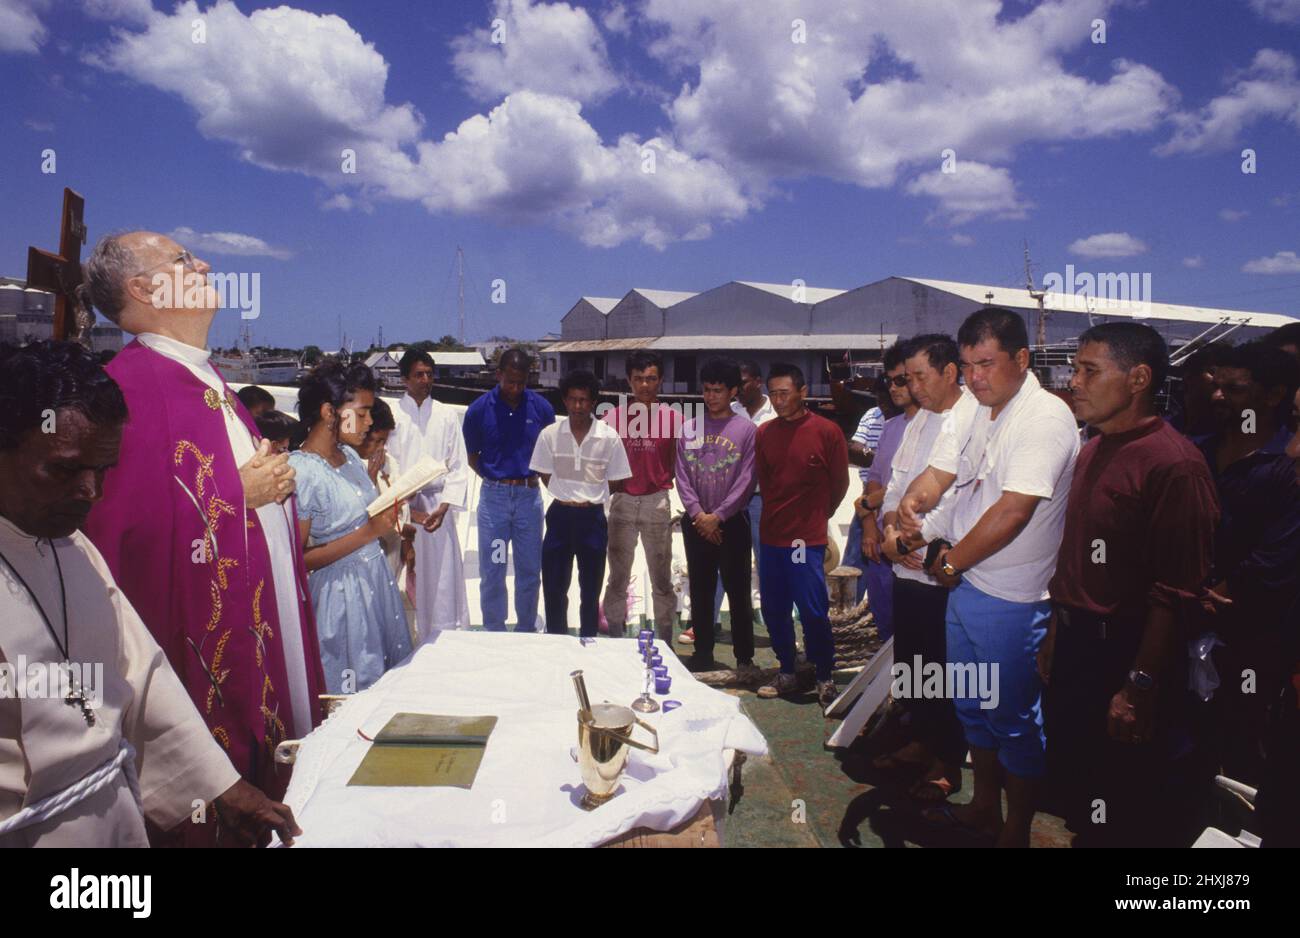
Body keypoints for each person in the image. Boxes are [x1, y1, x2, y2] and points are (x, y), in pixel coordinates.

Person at [0, 341, 301, 848]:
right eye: (65, 469)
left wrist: (219, 785)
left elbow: (142, 673)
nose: (90, 493)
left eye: (103, 471)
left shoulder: (76, 549)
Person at [79, 232, 325, 838]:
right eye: (184, 260)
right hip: (205, 665)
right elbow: (114, 540)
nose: (206, 264)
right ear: (142, 290)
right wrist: (239, 495)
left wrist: (266, 481)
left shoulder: (206, 380)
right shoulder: (129, 390)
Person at [898, 307, 1079, 847]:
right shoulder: (980, 409)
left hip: (1012, 596)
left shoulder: (1043, 418)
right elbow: (945, 474)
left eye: (987, 364)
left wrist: (949, 563)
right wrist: (914, 503)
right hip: (969, 586)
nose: (975, 377)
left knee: (1014, 720)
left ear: (1021, 360)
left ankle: (1016, 830)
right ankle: (982, 807)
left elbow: (1012, 511)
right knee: (973, 708)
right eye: (968, 365)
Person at [1041, 323, 1220, 847]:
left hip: (1128, 653)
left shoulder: (1175, 464)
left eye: (1088, 371)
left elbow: (1176, 591)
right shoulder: (1094, 449)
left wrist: (1138, 685)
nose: (1074, 381)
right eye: (1075, 369)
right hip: (1077, 646)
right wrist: (1056, 635)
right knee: (1083, 792)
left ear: (1139, 378)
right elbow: (1074, 558)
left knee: (1130, 802)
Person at [1196, 341, 1300, 787]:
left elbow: (1278, 555)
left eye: (1235, 390)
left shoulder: (1287, 468)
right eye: (1217, 387)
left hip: (1253, 636)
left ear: (1274, 395)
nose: (1219, 397)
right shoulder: (1194, 453)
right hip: (1181, 623)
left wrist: (1223, 591)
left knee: (1243, 741)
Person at [874, 334, 972, 802]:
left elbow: (960, 497)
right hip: (904, 568)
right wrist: (891, 534)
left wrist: (916, 539)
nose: (912, 386)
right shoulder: (916, 422)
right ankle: (920, 740)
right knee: (914, 664)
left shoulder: (971, 419)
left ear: (950, 372)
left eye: (920, 376)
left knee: (945, 668)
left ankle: (947, 760)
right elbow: (896, 488)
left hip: (941, 573)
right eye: (906, 377)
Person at [290, 361, 410, 694]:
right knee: (353, 689)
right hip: (341, 598)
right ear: (330, 412)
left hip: (373, 583)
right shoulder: (302, 471)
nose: (370, 421)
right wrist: (368, 533)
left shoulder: (350, 456)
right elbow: (298, 559)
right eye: (363, 412)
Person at [754, 362, 849, 709]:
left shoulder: (827, 432)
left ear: (803, 392)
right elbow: (766, 482)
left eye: (784, 393)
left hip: (802, 542)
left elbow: (840, 484)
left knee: (811, 610)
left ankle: (824, 675)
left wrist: (816, 519)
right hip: (771, 537)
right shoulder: (764, 433)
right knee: (774, 609)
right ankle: (788, 671)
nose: (778, 401)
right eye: (773, 394)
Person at [531, 371, 631, 637]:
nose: (578, 406)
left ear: (594, 402)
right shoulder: (549, 435)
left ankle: (588, 638)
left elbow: (617, 481)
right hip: (560, 515)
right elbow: (543, 471)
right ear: (564, 400)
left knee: (590, 588)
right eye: (573, 400)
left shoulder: (609, 438)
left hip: (593, 519)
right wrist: (566, 492)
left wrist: (590, 494)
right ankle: (557, 639)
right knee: (554, 586)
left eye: (584, 400)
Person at [462, 348, 555, 632]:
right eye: (510, 381)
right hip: (494, 501)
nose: (515, 388)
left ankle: (526, 628)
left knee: (529, 570)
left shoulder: (542, 409)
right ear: (499, 374)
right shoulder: (479, 409)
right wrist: (498, 480)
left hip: (530, 499)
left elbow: (549, 454)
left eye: (521, 382)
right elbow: (473, 456)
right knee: (493, 569)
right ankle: (494, 629)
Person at [676, 359, 757, 673]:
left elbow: (747, 479)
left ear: (733, 391)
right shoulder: (691, 427)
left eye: (718, 390)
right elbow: (682, 474)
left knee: (738, 590)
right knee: (700, 587)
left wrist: (719, 516)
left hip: (732, 521)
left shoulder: (746, 430)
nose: (711, 397)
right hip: (696, 520)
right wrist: (699, 514)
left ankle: (744, 657)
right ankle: (703, 652)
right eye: (707, 390)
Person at [389, 350, 470, 638]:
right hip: (403, 509)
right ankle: (410, 639)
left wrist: (445, 506)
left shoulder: (447, 415)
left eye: (429, 374)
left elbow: (459, 465)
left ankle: (445, 638)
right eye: (418, 375)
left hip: (438, 508)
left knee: (443, 578)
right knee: (408, 575)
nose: (425, 380)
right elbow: (388, 469)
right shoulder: (393, 416)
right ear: (404, 380)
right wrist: (408, 510)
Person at [602, 351, 681, 640]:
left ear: (660, 380)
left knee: (661, 578)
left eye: (650, 379)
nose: (645, 385)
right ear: (629, 381)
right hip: (621, 502)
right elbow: (601, 465)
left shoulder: (675, 420)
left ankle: (666, 637)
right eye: (638, 379)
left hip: (657, 502)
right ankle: (614, 635)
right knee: (617, 578)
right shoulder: (611, 418)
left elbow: (676, 464)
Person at [850, 342, 917, 633]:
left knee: (915, 631)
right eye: (890, 381)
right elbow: (873, 476)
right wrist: (868, 527)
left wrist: (867, 504)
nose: (893, 388)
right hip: (879, 541)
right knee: (885, 621)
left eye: (901, 380)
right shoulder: (891, 427)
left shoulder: (943, 426)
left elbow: (914, 486)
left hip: (914, 547)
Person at [353, 397, 416, 627]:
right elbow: (357, 514)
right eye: (377, 440)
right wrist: (370, 477)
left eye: (385, 441)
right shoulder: (350, 464)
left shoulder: (389, 461)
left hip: (394, 549)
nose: (381, 448)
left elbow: (399, 501)